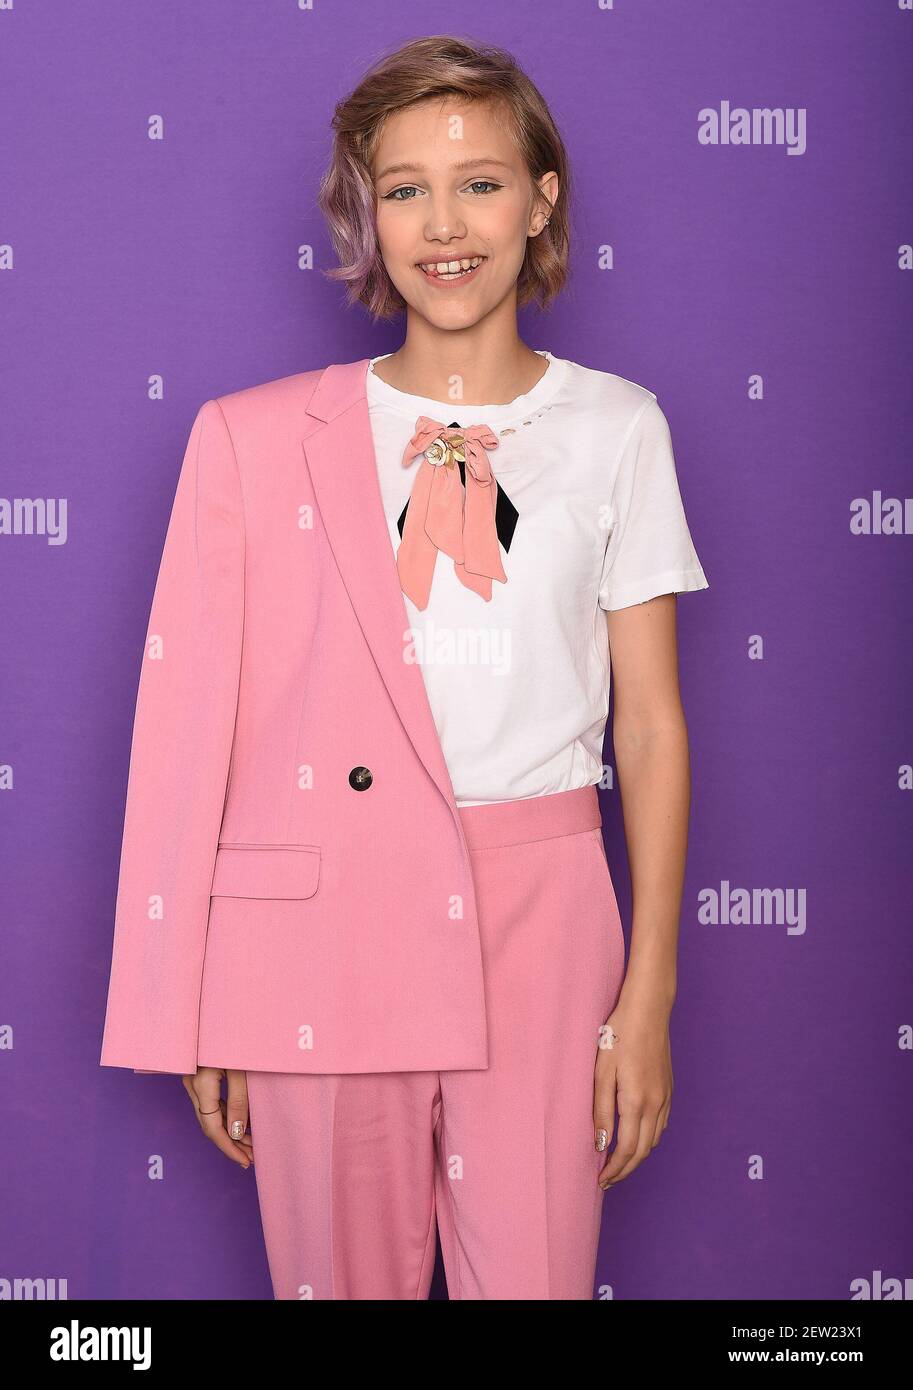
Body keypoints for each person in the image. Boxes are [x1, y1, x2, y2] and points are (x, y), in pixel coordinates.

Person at [100, 34, 710, 1301]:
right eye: (404, 188)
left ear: (542, 199)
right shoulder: (251, 438)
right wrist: (193, 1004)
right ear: (363, 212)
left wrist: (644, 998)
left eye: (481, 182)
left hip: (542, 924)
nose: (445, 224)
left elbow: (648, 728)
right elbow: (184, 733)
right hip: (319, 932)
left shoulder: (618, 428)